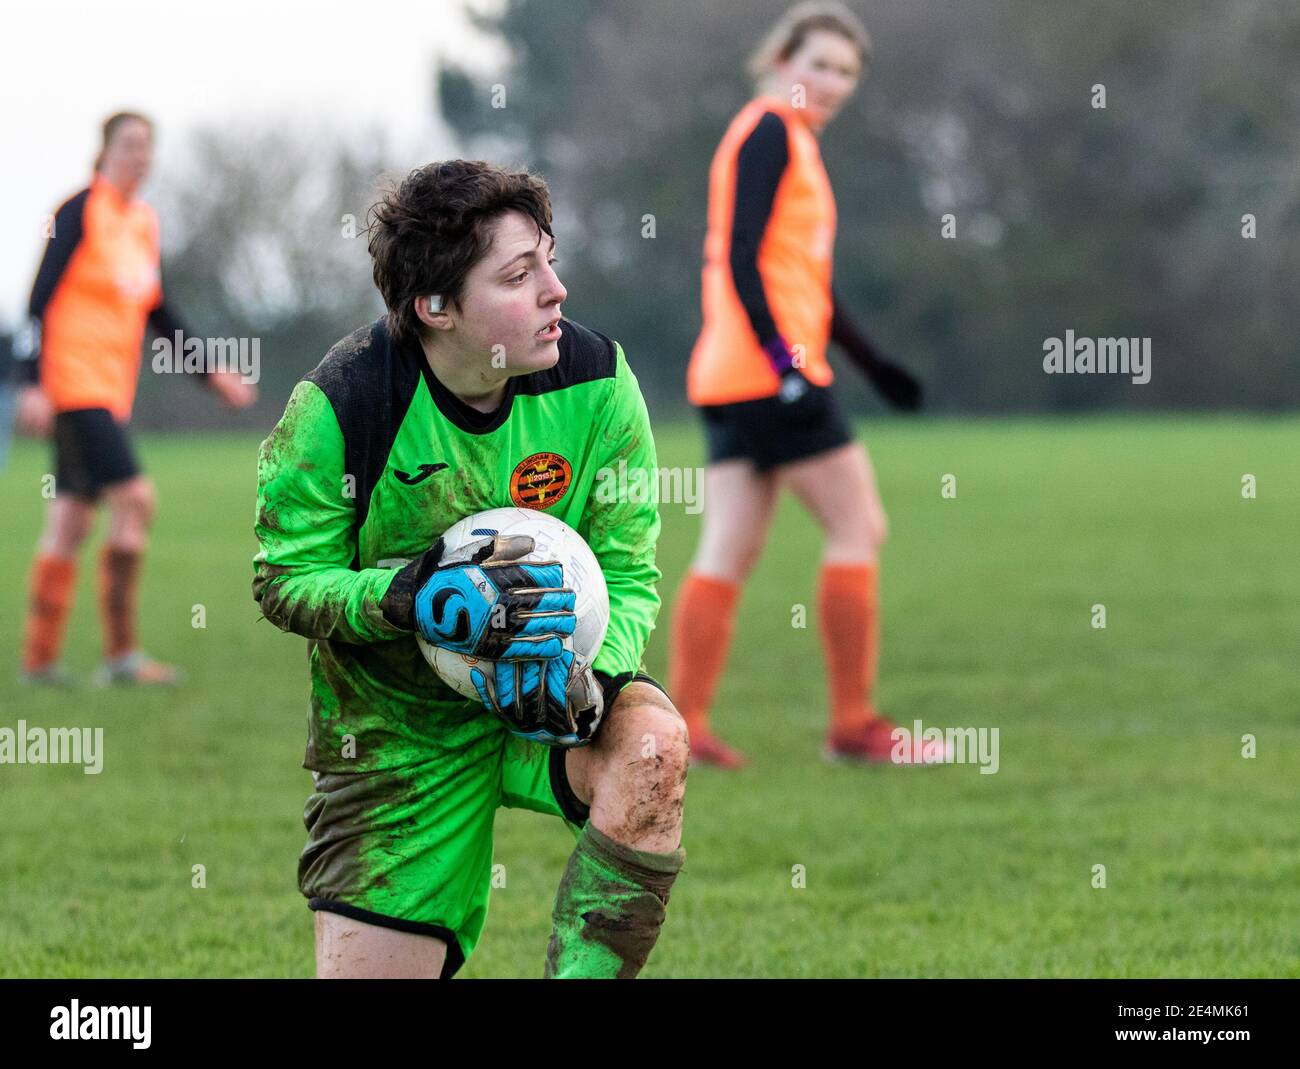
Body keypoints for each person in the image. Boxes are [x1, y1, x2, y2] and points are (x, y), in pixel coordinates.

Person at [252, 160, 688, 978]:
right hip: (397, 733)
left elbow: (629, 573)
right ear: (438, 307)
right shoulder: (343, 404)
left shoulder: (598, 382)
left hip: (551, 700)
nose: (556, 290)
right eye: (520, 275)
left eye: (549, 261)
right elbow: (283, 579)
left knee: (653, 746)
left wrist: (595, 675)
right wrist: (404, 595)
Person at [669, 3, 938, 768]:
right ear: (782, 60)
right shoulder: (767, 131)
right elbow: (745, 258)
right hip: (767, 373)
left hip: (726, 375)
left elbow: (807, 284)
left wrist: (873, 362)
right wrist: (787, 365)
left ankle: (680, 728)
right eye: (819, 64)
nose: (832, 82)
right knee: (861, 526)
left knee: (728, 545)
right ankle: (853, 725)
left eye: (847, 72)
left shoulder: (792, 142)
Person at [17, 111, 255, 686]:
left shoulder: (142, 223)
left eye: (148, 146)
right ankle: (121, 657)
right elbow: (36, 300)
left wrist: (211, 373)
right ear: (105, 150)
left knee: (71, 520)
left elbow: (159, 313)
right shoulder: (78, 210)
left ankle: (40, 662)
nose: (140, 156)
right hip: (75, 386)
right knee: (136, 500)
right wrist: (28, 382)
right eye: (130, 145)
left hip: (109, 392)